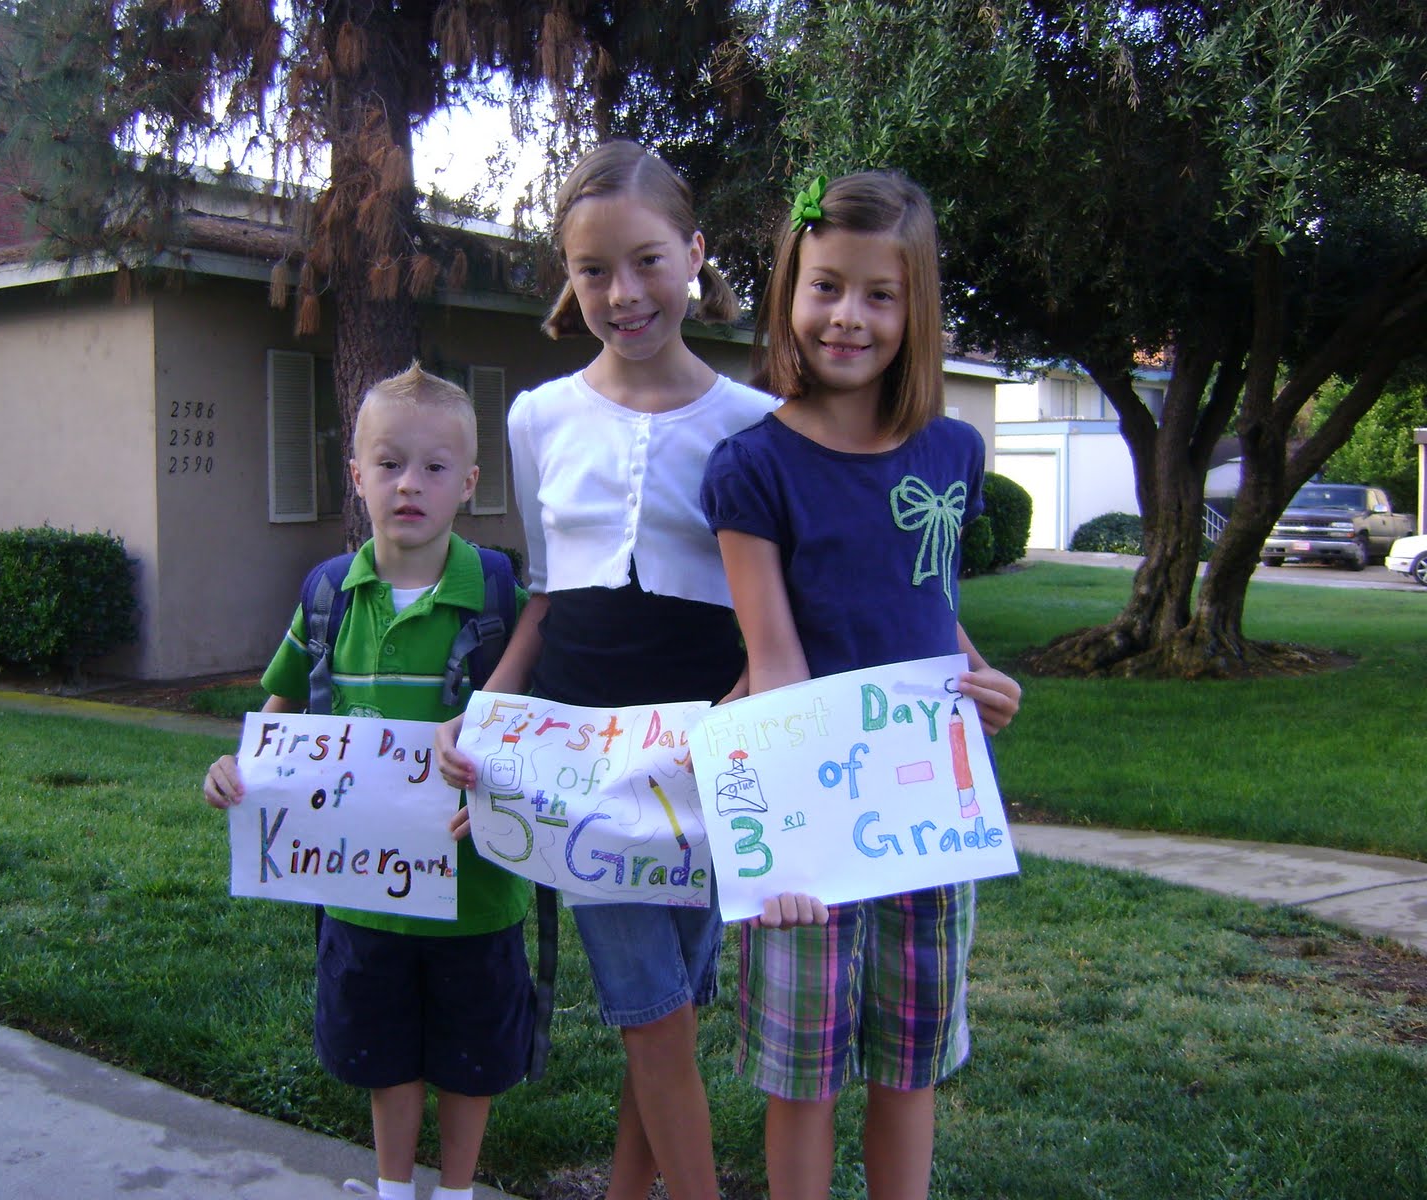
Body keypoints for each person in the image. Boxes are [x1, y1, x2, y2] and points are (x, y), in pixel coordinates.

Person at [434, 140, 777, 1200]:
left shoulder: (756, 426)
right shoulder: (538, 417)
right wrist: (483, 715)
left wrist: (726, 729)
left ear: (694, 256)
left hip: (707, 746)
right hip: (583, 759)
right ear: (567, 278)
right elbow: (544, 594)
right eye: (591, 271)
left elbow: (772, 611)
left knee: (669, 999)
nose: (621, 293)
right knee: (648, 1007)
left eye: (645, 261)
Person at [698, 170, 1023, 1200]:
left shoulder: (955, 450)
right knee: (803, 1072)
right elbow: (775, 656)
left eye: (879, 294)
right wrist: (788, 842)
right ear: (790, 291)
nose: (848, 316)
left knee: (910, 1059)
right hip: (806, 816)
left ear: (915, 307)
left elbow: (923, 600)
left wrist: (978, 676)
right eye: (825, 287)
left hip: (929, 811)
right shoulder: (751, 467)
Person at [202, 363, 533, 1200]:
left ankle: (454, 1191)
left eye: (433, 467)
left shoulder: (499, 597)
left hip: (477, 892)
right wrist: (234, 771)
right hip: (359, 892)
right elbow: (279, 723)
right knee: (383, 1052)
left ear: (470, 483)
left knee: (470, 1056)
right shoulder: (327, 600)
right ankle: (392, 1188)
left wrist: (494, 788)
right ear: (356, 477)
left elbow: (535, 734)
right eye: (388, 464)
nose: (409, 485)